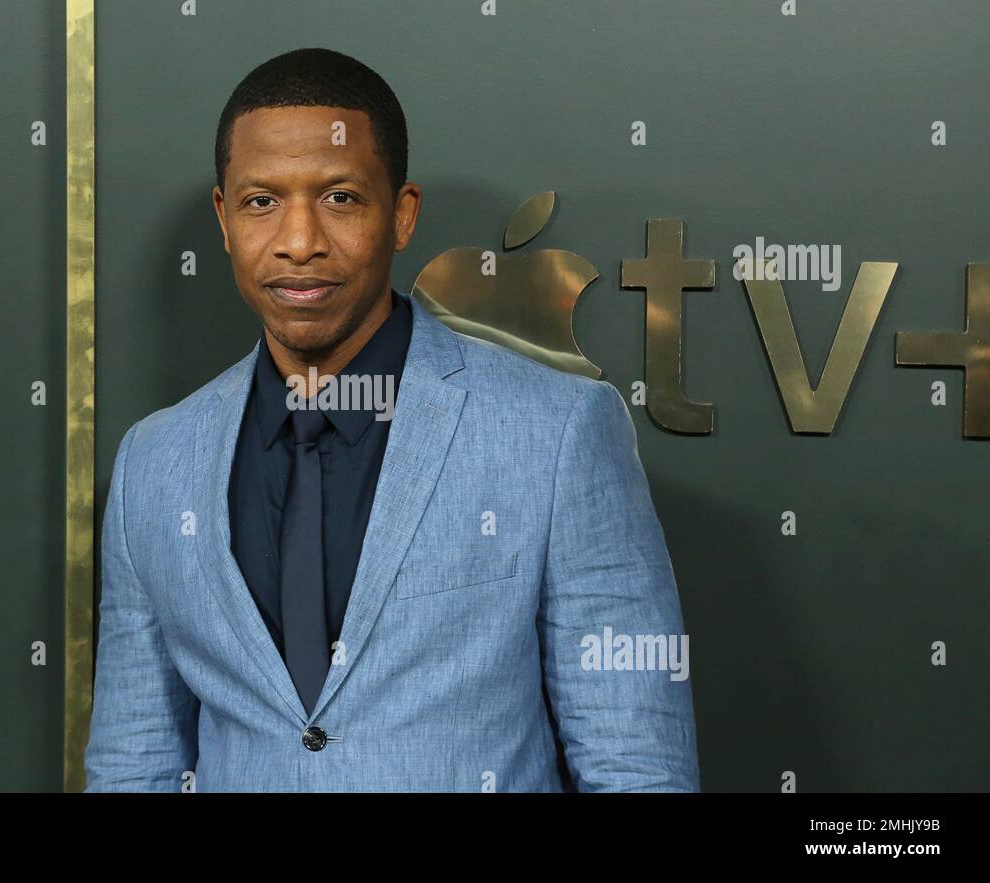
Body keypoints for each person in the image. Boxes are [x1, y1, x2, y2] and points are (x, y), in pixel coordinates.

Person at [84, 47, 699, 792]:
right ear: (224, 217)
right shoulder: (155, 461)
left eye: (340, 197)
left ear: (402, 214)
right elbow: (135, 761)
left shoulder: (560, 432)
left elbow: (635, 765)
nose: (300, 240)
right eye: (261, 201)